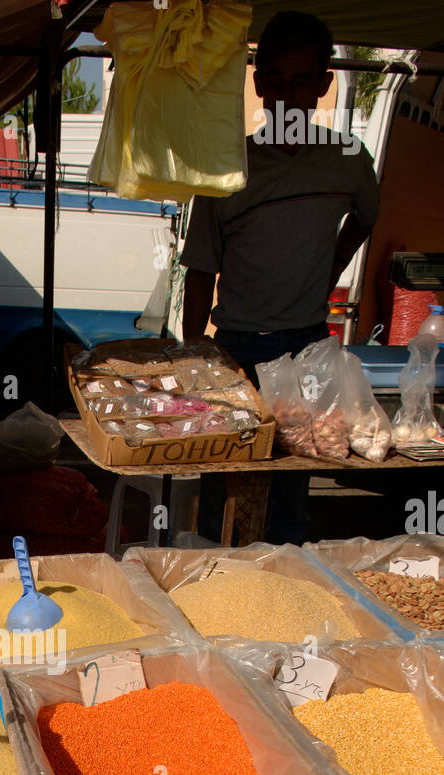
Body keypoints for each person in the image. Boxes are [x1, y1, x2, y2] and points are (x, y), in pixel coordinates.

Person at [180, 10, 380, 545]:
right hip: (238, 350)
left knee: (293, 487)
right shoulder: (226, 168)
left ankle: (287, 594)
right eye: (276, 81)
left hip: (306, 350)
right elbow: (200, 271)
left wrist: (333, 267)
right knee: (224, 486)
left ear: (323, 85)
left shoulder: (348, 160)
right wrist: (194, 354)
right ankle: (214, 590)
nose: (287, 96)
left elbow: (366, 216)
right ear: (258, 82)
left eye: (301, 82)